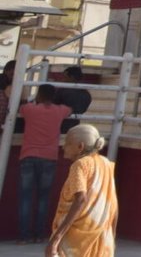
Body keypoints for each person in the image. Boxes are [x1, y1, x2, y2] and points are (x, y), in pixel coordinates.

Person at [43, 122, 117, 257]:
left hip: (76, 240)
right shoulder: (106, 164)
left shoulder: (80, 165)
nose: (64, 146)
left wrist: (56, 238)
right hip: (101, 236)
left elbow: (81, 199)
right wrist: (111, 235)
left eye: (68, 143)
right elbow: (113, 205)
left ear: (80, 146)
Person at [18, 84, 73, 244]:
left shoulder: (30, 109)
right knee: (43, 198)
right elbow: (70, 109)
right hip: (49, 158)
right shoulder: (60, 110)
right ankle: (40, 235)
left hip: (28, 155)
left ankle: (23, 237)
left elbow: (21, 108)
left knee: (25, 198)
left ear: (39, 95)